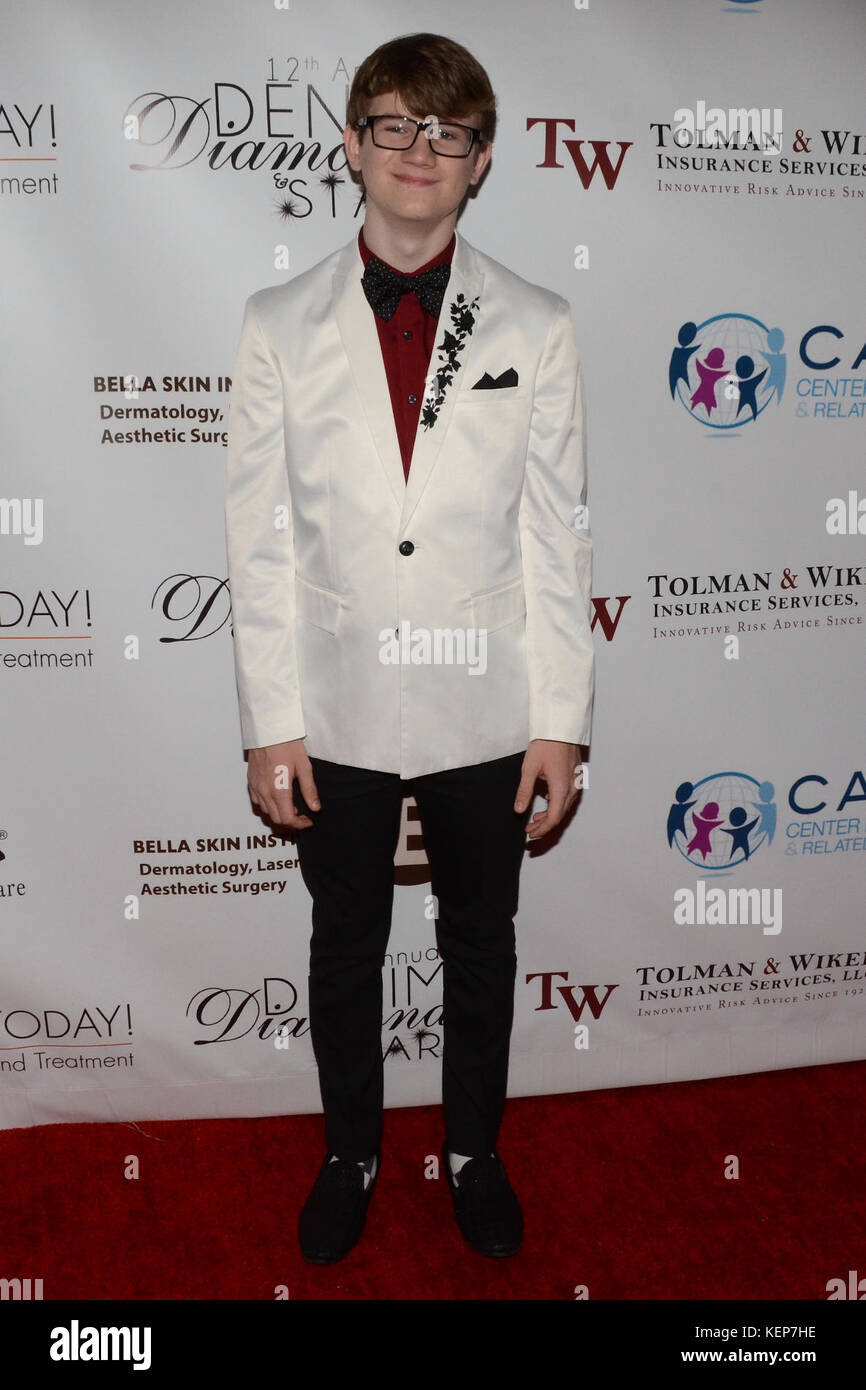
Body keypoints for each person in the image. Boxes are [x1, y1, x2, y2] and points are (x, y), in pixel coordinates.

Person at [224, 31, 595, 1264]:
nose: (418, 151)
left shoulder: (537, 323)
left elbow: (556, 536)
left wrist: (560, 719)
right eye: (393, 124)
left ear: (479, 159)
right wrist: (270, 717)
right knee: (344, 941)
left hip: (489, 703)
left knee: (479, 940)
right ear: (351, 144)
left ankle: (474, 1152)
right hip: (333, 703)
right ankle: (349, 1151)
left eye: (446, 133)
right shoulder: (274, 322)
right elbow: (261, 537)